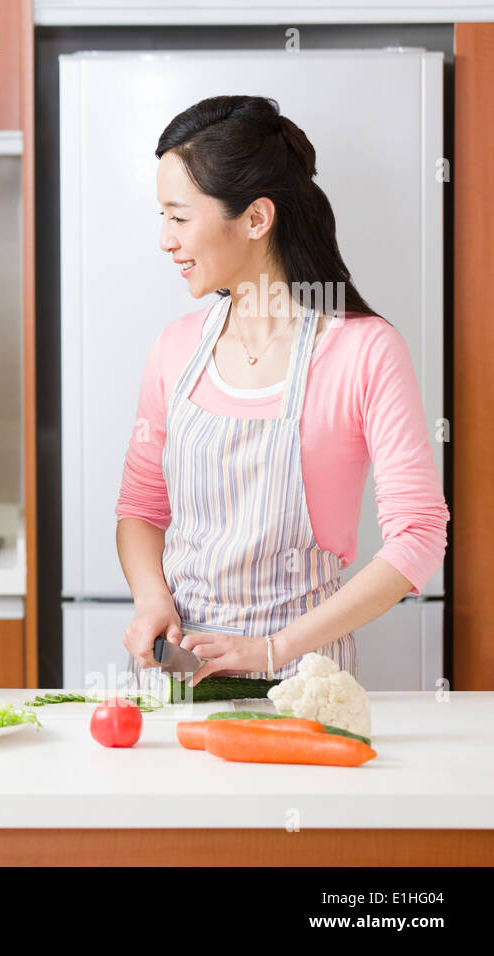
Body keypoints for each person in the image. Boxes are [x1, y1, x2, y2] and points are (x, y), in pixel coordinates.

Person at [117, 95, 449, 686]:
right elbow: (142, 508)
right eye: (161, 217)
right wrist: (151, 602)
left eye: (179, 216)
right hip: (177, 675)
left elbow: (419, 536)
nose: (165, 240)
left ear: (255, 218)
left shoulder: (363, 350)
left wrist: (271, 649)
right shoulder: (177, 349)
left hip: (303, 680)